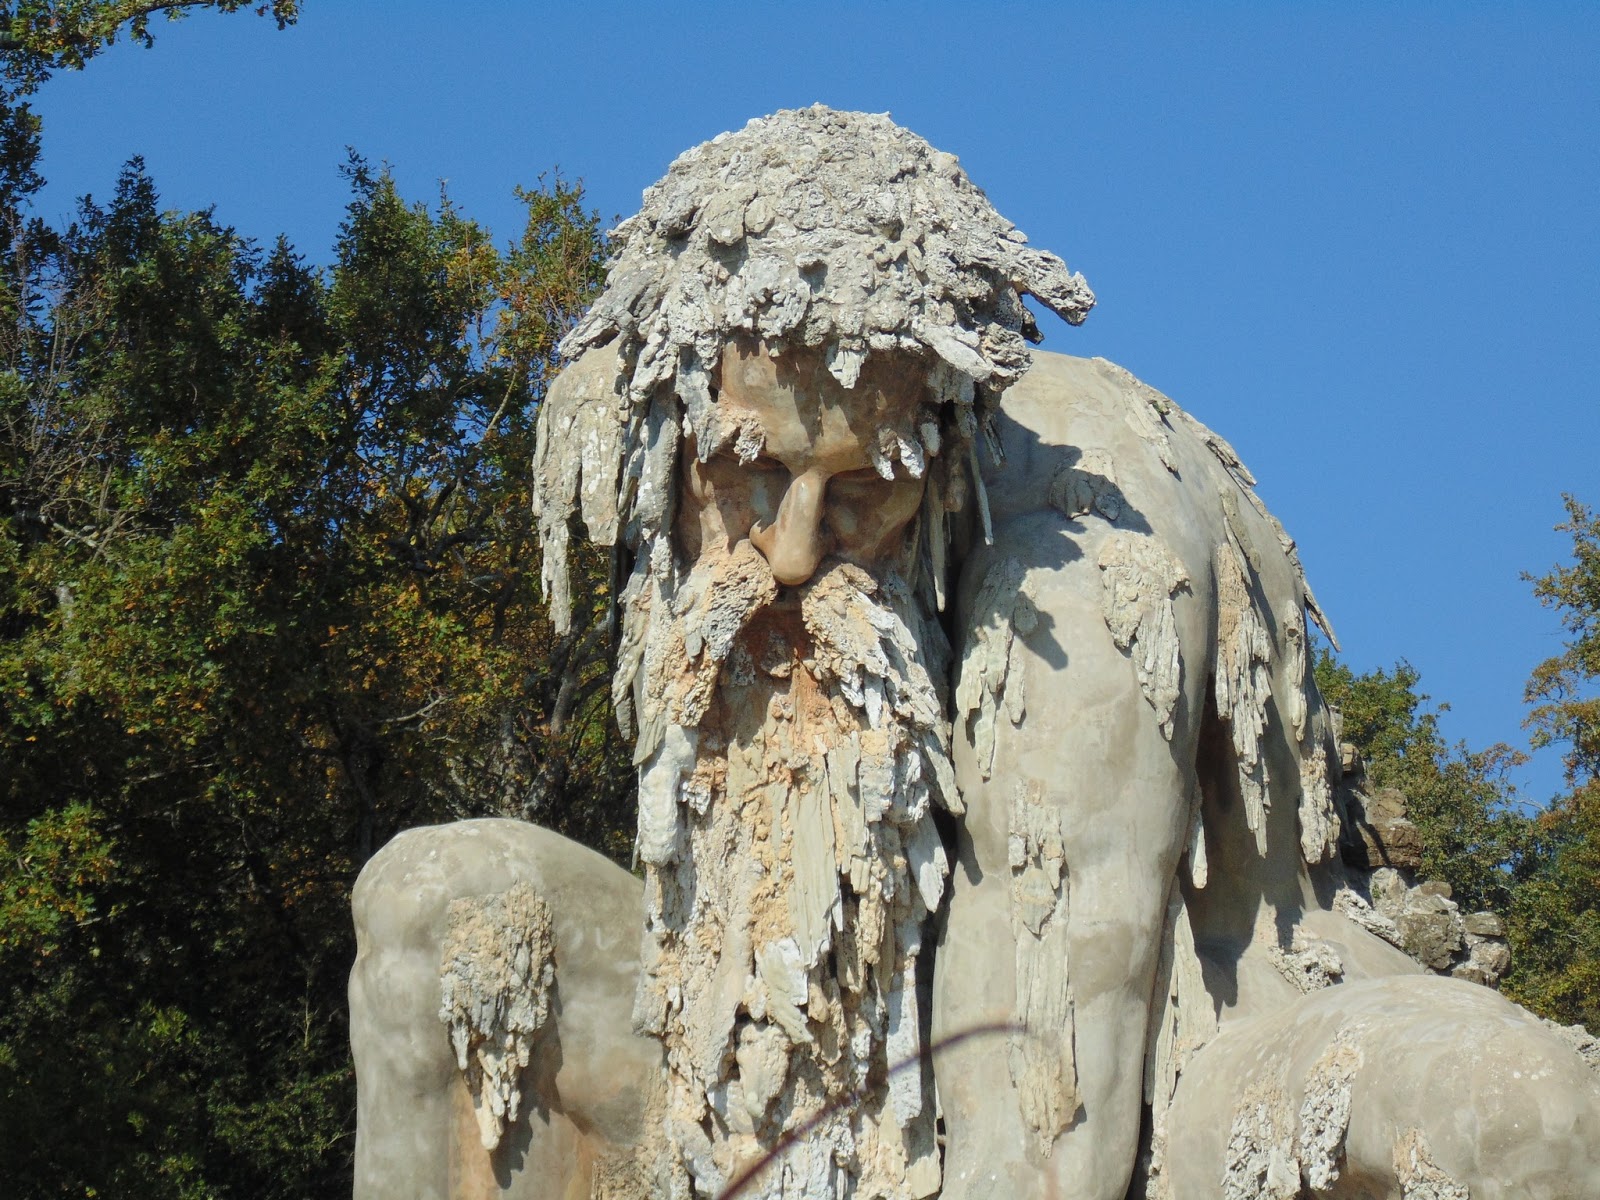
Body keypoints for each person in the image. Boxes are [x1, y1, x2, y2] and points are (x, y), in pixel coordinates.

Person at [350, 106, 1600, 1200]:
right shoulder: (675, 511)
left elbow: (1053, 1088)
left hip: (1185, 1057)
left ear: (943, 453)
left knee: (1527, 1112)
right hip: (820, 1108)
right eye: (751, 473)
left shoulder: (1073, 554)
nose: (791, 554)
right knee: (439, 905)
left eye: (859, 491)